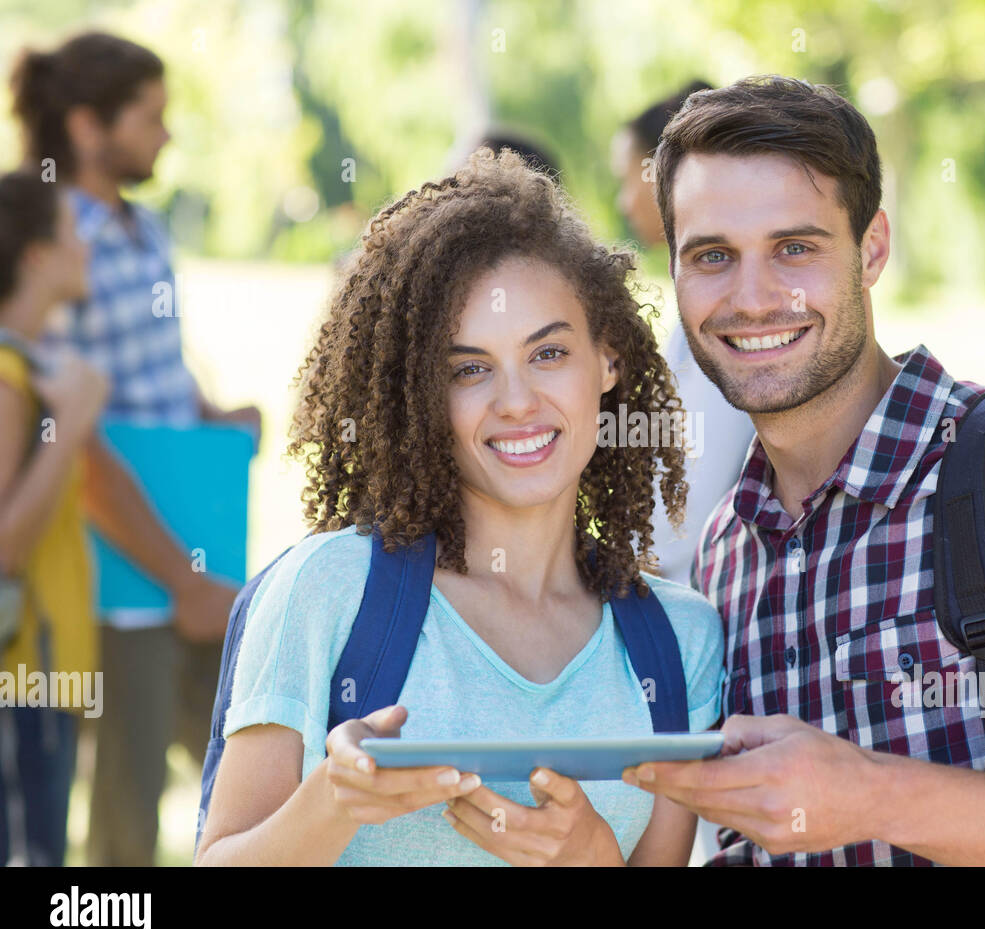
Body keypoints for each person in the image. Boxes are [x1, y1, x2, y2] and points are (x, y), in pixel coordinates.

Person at [622, 75, 985, 866]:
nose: (753, 296)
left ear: (873, 248)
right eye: (712, 256)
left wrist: (868, 794)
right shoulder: (730, 547)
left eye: (795, 248)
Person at [194, 149, 724, 866]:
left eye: (549, 354)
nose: (515, 401)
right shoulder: (327, 590)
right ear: (421, 396)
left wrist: (591, 855)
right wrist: (335, 799)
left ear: (608, 360)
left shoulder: (681, 638)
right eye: (469, 369)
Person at [9, 31, 260, 866]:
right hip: (127, 570)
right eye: (149, 117)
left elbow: (151, 369)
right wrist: (180, 581)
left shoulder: (144, 228)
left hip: (191, 543)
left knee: (248, 762)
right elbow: (75, 445)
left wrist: (213, 417)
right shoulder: (48, 242)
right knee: (128, 802)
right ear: (87, 127)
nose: (165, 135)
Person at [613, 82, 756, 865]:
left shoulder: (734, 332)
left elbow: (683, 511)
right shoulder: (684, 308)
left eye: (628, 172)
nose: (621, 195)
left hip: (694, 611)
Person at [0, 170, 105, 865]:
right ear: (37, 256)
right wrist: (70, 424)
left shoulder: (30, 365)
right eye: (73, 232)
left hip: (42, 675)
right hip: (19, 679)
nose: (86, 246)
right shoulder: (11, 376)